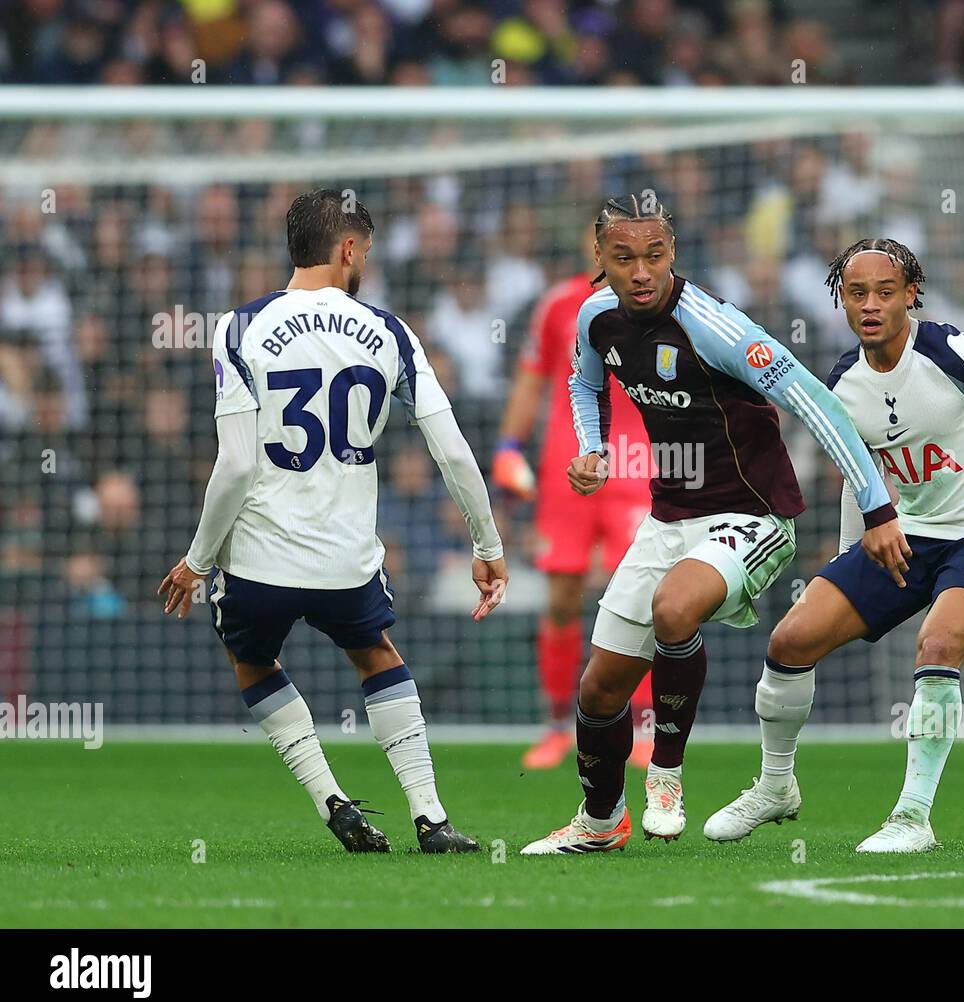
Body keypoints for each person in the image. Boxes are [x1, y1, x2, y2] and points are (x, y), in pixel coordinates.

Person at [519, 196, 906, 855]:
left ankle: (665, 776)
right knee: (600, 686)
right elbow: (585, 385)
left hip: (755, 514)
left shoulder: (717, 328)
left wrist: (878, 509)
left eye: (655, 256)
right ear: (600, 258)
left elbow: (815, 402)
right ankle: (599, 821)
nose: (641, 272)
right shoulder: (594, 318)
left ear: (672, 252)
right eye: (624, 258)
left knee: (676, 608)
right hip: (669, 517)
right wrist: (594, 447)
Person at [158, 189, 508, 855]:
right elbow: (452, 449)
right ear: (347, 249)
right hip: (349, 561)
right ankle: (431, 818)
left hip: (260, 560)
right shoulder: (391, 333)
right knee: (376, 654)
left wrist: (198, 560)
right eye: (365, 253)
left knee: (252, 657)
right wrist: (486, 543)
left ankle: (330, 799)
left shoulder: (239, 326)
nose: (365, 264)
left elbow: (233, 467)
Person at [704, 238, 964, 853]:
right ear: (842, 303)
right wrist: (851, 554)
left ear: (911, 295)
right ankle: (775, 788)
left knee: (937, 641)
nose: (870, 304)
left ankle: (912, 819)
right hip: (904, 540)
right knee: (790, 640)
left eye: (885, 292)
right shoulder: (841, 386)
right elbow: (863, 478)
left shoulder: (959, 353)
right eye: (857, 294)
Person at [493, 229, 655, 770]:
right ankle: (558, 724)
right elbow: (532, 378)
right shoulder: (559, 305)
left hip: (634, 467)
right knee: (561, 600)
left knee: (639, 597)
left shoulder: (659, 299)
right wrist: (509, 446)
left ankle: (644, 722)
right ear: (596, 250)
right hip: (568, 471)